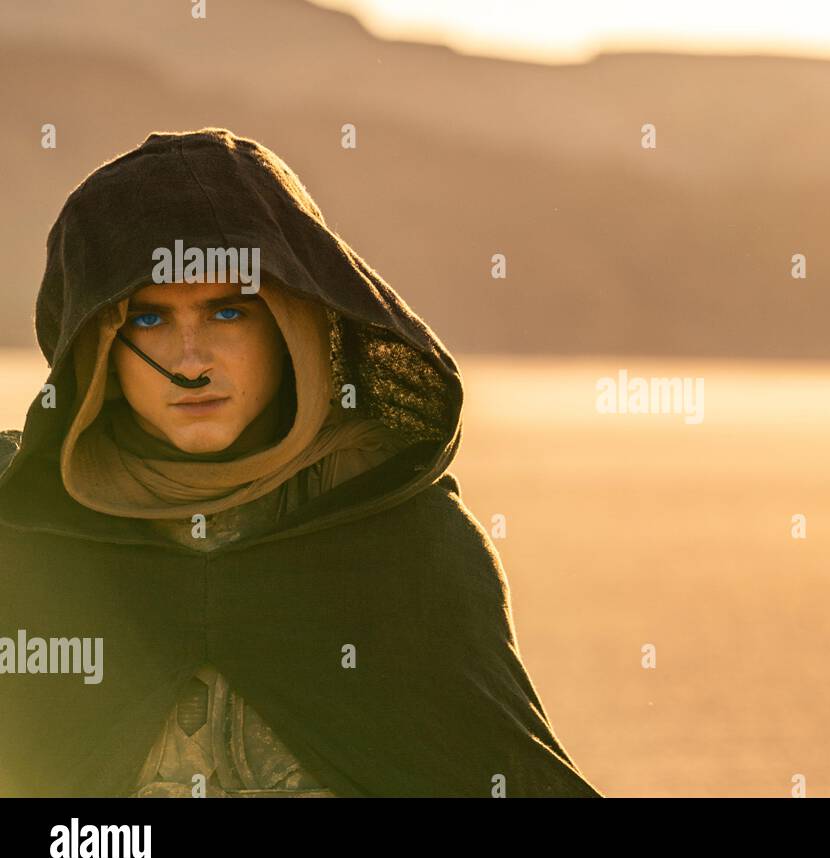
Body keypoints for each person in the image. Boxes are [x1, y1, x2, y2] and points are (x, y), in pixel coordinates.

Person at [0, 128, 602, 798]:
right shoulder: (20, 549)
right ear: (96, 346)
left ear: (294, 325)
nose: (191, 362)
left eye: (228, 311)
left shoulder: (410, 552)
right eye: (148, 320)